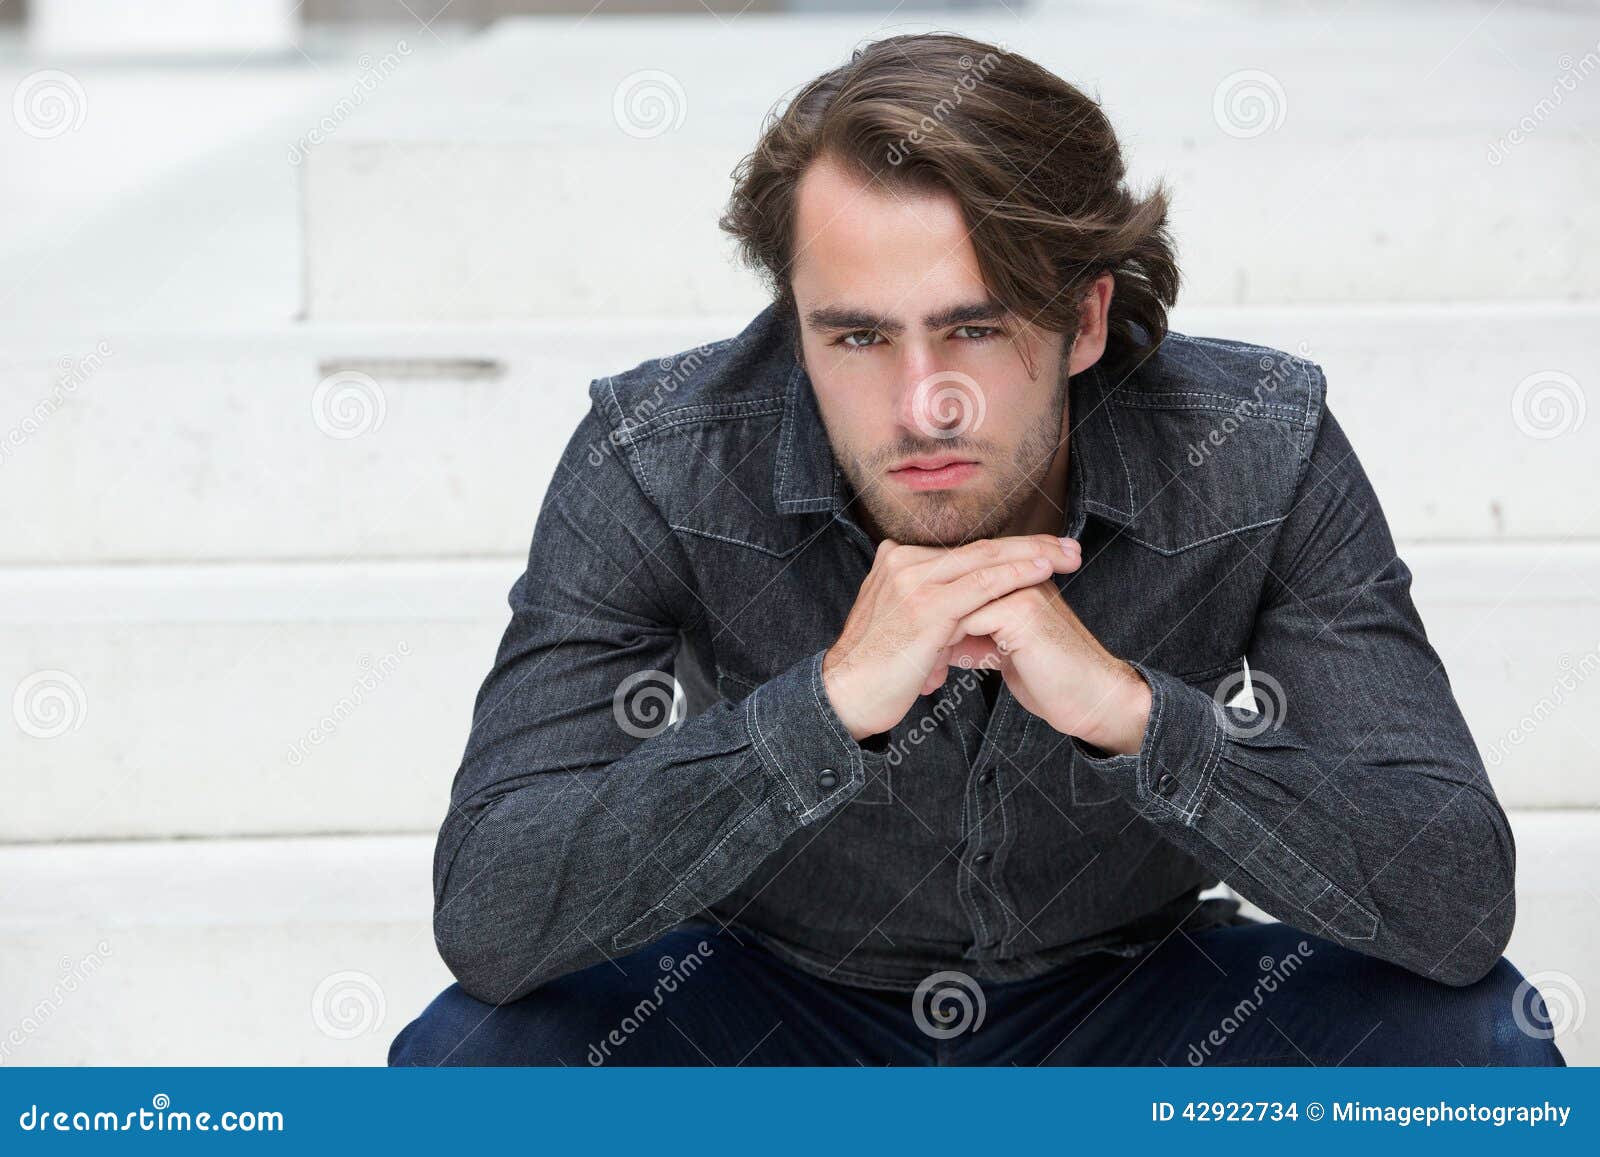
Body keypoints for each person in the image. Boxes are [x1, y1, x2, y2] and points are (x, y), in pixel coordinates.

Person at [390, 32, 1562, 1066]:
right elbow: (491, 912)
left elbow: (1454, 899)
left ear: (1085, 318)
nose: (922, 405)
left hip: (1137, 1004)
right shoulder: (658, 459)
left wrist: (1132, 714)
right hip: (770, 1007)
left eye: (976, 327)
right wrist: (821, 709)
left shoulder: (1255, 446)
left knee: (1471, 1045)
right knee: (475, 1064)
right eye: (857, 337)